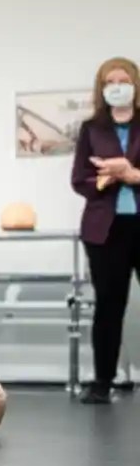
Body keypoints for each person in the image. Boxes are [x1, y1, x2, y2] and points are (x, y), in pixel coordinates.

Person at [70, 56, 140, 404]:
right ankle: (102, 382)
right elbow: (78, 179)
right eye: (110, 81)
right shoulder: (91, 129)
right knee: (109, 306)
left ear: (135, 84)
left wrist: (133, 175)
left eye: (123, 80)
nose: (117, 87)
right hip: (105, 231)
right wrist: (104, 179)